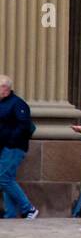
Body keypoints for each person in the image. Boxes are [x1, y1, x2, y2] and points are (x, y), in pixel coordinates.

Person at [0, 75, 38, 219]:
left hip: (14, 147)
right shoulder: (3, 103)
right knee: (7, 178)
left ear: (5, 88)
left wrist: (10, 140)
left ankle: (28, 208)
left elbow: (24, 126)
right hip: (6, 147)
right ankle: (10, 214)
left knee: (3, 178)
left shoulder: (18, 104)